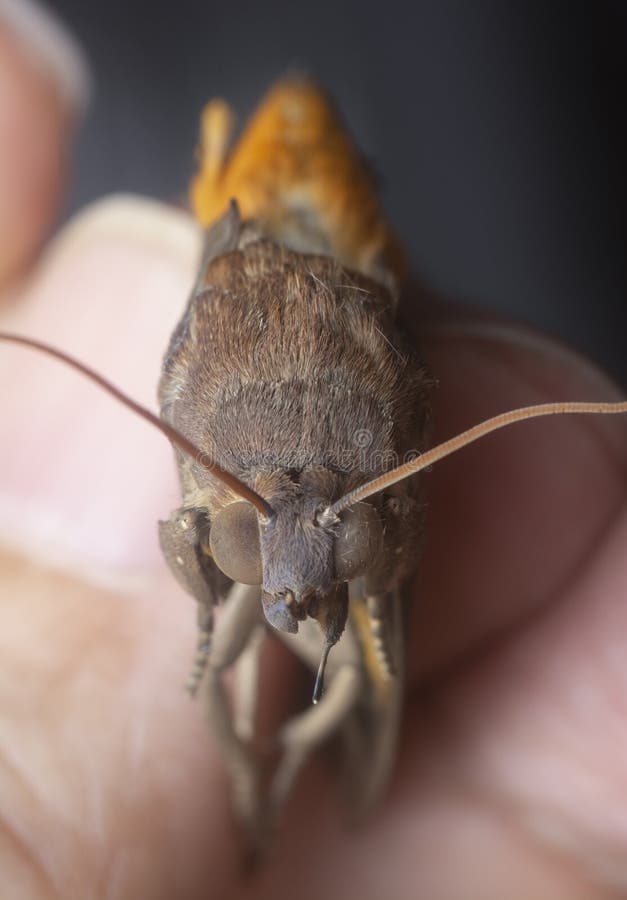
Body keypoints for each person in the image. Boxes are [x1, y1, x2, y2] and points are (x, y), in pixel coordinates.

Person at [1, 4, 626, 897]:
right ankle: (282, 765)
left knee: (330, 672)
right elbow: (193, 533)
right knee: (264, 662)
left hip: (311, 216)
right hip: (297, 203)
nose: (295, 587)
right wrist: (211, 617)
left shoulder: (364, 470)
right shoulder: (220, 483)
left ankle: (289, 772)